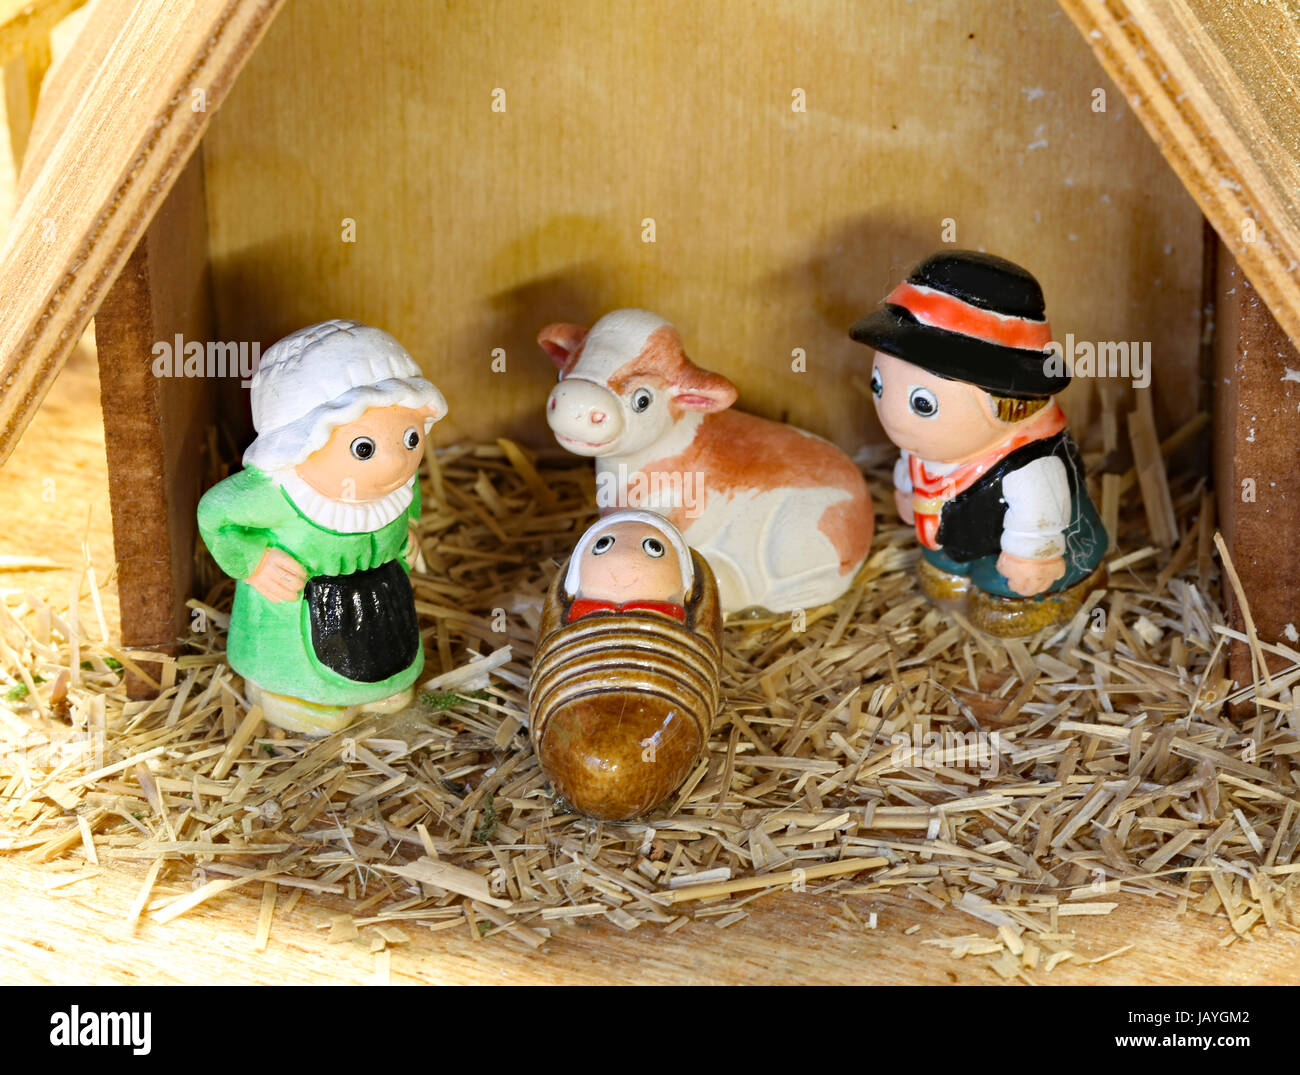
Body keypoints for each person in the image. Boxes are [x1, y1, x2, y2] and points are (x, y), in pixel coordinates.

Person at [197, 319, 446, 735]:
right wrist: (254, 562)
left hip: (383, 600)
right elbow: (215, 513)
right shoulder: (273, 494)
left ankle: (380, 682)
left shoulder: (397, 484)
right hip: (298, 608)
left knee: (390, 661)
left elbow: (411, 493)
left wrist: (409, 529)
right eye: (364, 448)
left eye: (410, 439)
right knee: (295, 659)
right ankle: (287, 692)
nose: (397, 463)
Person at [849, 250, 1106, 636]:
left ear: (1000, 405)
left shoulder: (1031, 466)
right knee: (942, 567)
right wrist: (907, 488)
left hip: (1028, 550)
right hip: (957, 531)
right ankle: (954, 562)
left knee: (999, 586)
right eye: (879, 385)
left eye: (923, 403)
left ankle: (1052, 589)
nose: (891, 415)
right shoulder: (933, 444)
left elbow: (1039, 517)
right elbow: (913, 463)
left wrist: (1030, 557)